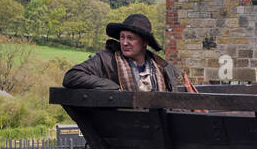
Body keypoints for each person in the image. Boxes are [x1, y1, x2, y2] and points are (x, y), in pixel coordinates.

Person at [64, 13, 197, 92]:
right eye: (122, 37)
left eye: (131, 38)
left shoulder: (162, 67)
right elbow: (72, 76)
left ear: (144, 42)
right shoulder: (106, 59)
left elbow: (182, 88)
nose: (124, 42)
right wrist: (112, 87)